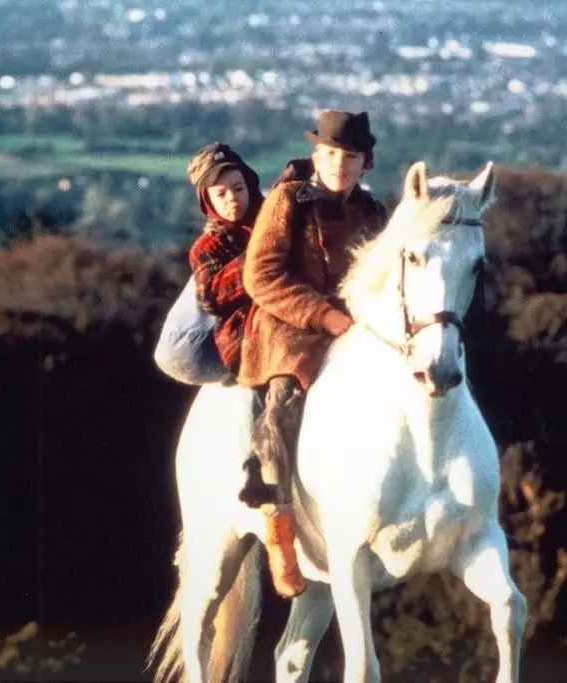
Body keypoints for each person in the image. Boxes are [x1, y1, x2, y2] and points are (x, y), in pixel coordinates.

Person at [236, 111, 389, 598]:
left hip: (354, 326)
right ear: (316, 155)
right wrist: (323, 316)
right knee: (282, 406)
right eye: (330, 155)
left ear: (365, 164)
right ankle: (279, 530)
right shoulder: (288, 200)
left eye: (350, 157)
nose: (339, 165)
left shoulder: (372, 212)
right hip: (289, 327)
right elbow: (260, 276)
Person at [153, 142, 264, 384]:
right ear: (208, 202)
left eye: (238, 188)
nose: (232, 198)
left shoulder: (270, 221)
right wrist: (259, 256)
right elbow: (212, 297)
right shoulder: (207, 247)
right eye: (221, 194)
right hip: (235, 334)